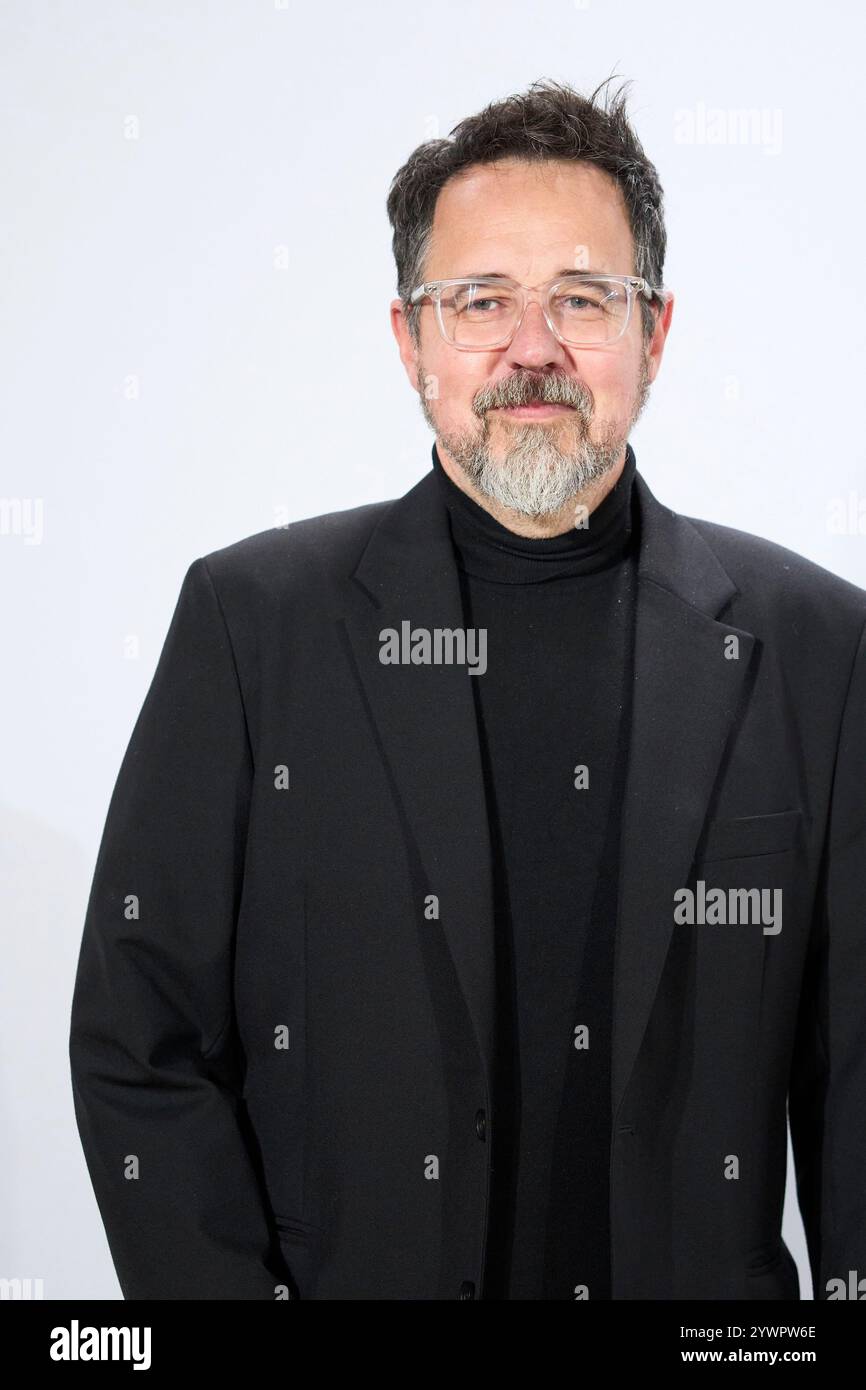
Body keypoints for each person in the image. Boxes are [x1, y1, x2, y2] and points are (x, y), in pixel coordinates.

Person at [69, 76, 866, 1300]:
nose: (531, 347)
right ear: (410, 342)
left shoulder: (819, 647)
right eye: (480, 300)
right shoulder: (251, 626)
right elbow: (141, 1038)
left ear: (653, 335)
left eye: (581, 300)